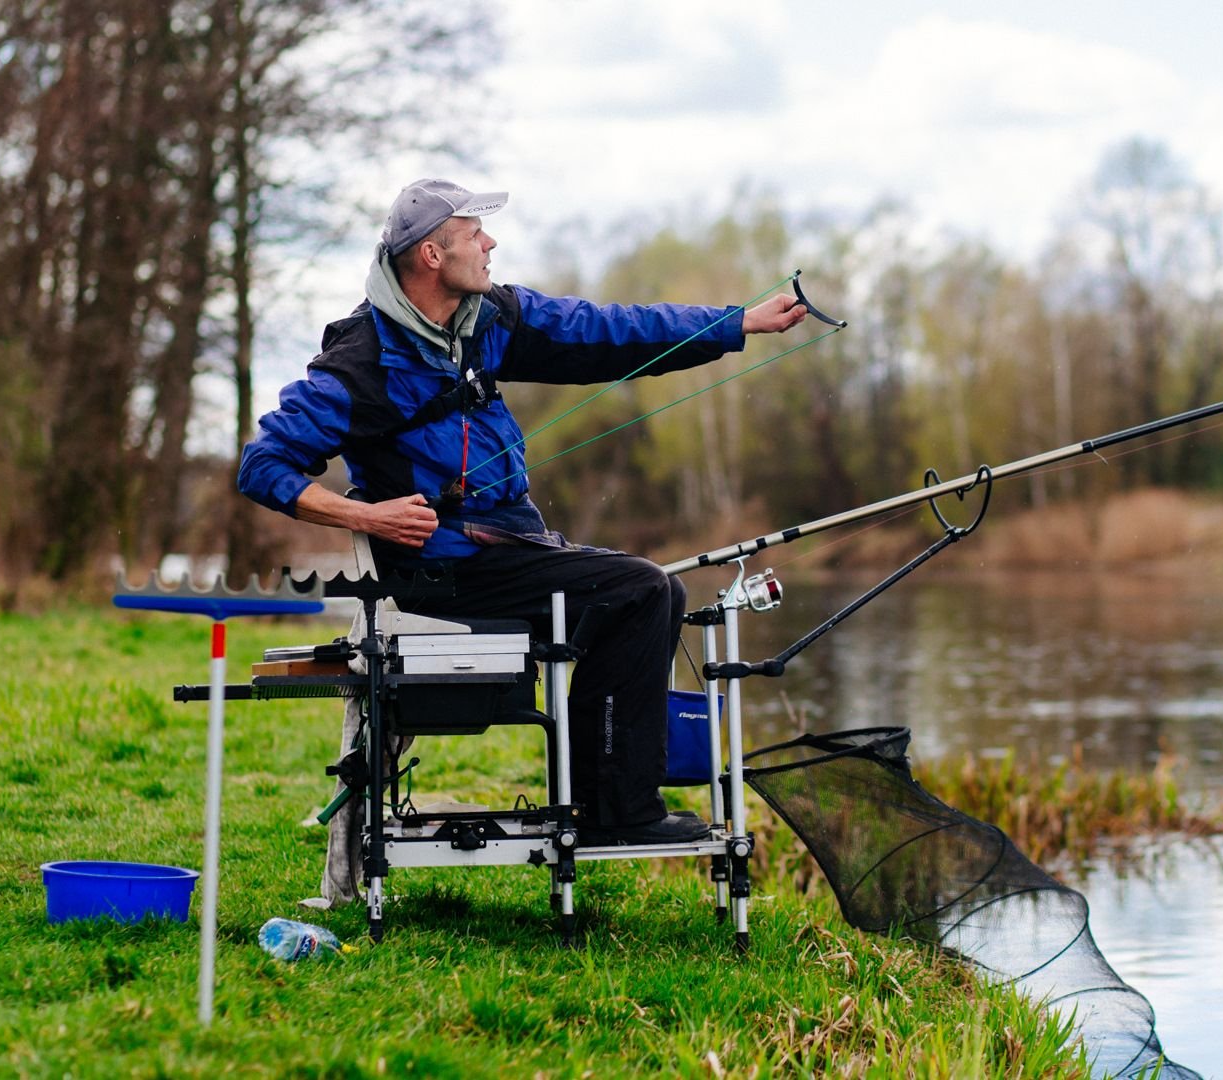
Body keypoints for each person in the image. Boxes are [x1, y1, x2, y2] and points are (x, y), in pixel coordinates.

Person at [238, 179, 806, 856]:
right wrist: (367, 516)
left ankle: (604, 798)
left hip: (509, 550)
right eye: (474, 234)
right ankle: (614, 810)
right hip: (439, 571)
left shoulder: (491, 320)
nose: (490, 244)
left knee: (639, 593)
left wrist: (736, 322)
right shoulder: (360, 362)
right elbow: (262, 466)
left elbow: (612, 331)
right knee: (644, 590)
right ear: (429, 256)